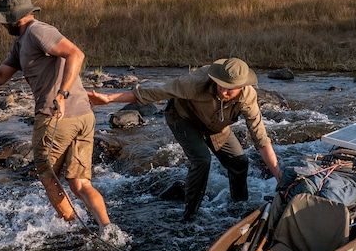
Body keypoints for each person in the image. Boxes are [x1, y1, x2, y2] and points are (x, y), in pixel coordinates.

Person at [0, 0, 127, 246]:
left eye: (3, 21)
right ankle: (109, 232)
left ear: (13, 18)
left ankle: (74, 230)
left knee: (47, 175)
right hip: (83, 115)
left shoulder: (38, 31)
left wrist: (62, 94)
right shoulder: (21, 42)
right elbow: (1, 76)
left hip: (56, 117)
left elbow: (76, 54)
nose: (2, 26)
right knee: (79, 183)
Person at [87, 58, 283, 222]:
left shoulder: (248, 98)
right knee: (202, 160)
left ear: (242, 86)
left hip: (216, 125)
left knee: (239, 162)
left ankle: (238, 208)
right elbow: (154, 92)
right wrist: (109, 99)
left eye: (230, 89)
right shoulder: (195, 83)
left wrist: (280, 178)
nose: (223, 91)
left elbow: (261, 138)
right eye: (221, 85)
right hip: (183, 119)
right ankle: (190, 215)